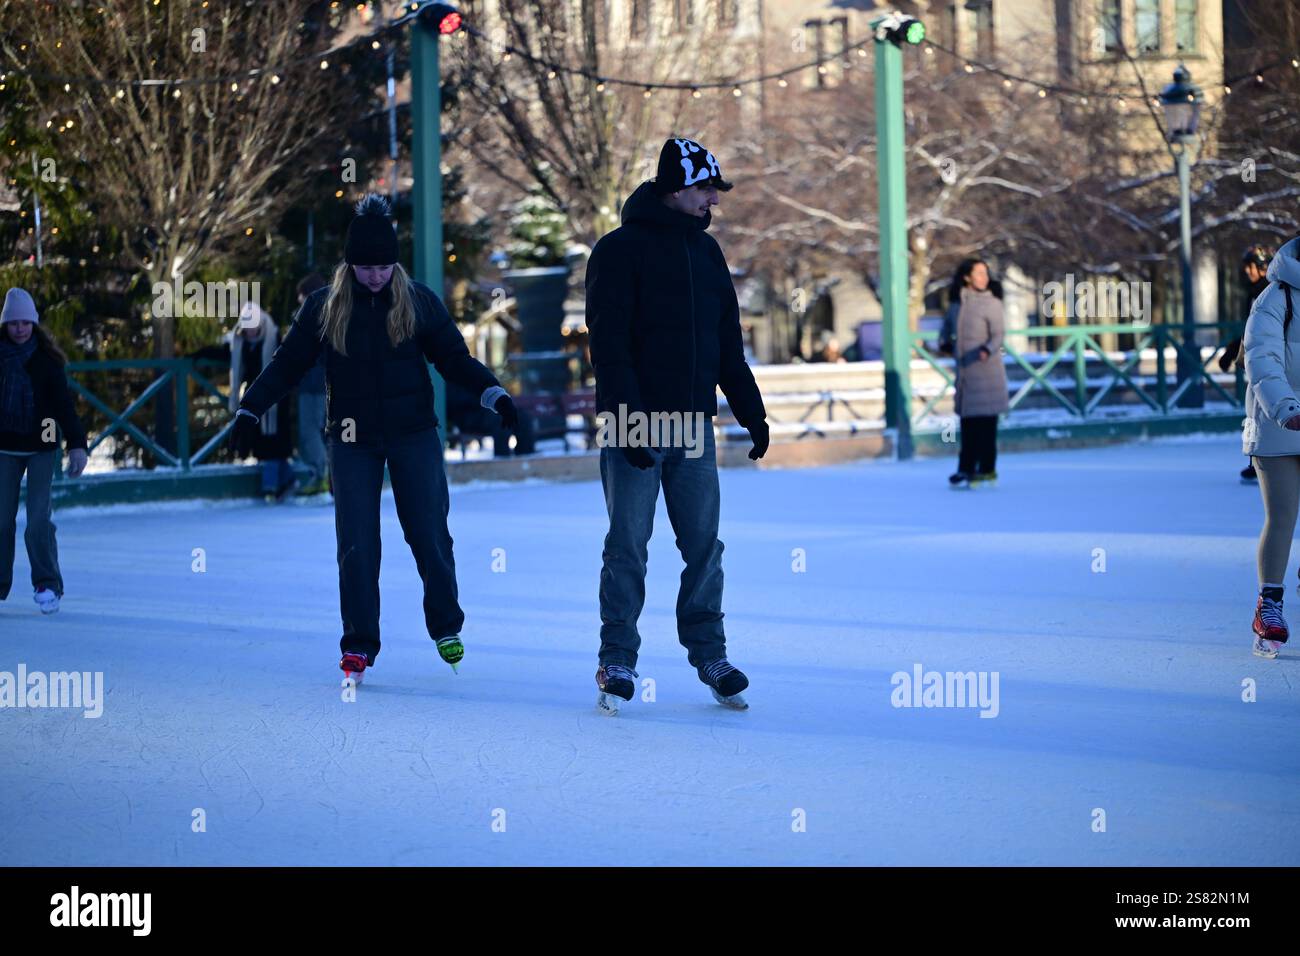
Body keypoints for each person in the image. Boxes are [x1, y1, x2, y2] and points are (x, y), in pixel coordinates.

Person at [230, 194, 517, 685]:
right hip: (352, 439)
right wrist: (249, 408)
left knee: (428, 532)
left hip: (414, 434)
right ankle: (359, 643)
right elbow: (288, 363)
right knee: (357, 542)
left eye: (385, 266)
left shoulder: (418, 300)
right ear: (350, 265)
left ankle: (445, 624)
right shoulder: (325, 306)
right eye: (366, 268)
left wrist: (494, 393)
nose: (377, 276)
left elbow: (453, 358)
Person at [585, 135, 768, 713]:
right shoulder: (617, 250)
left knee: (703, 546)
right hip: (634, 425)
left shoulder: (706, 254)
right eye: (705, 188)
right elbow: (609, 347)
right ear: (675, 187)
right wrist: (626, 419)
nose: (713, 199)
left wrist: (751, 411)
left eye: (716, 189)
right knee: (628, 547)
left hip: (692, 426)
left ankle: (710, 653)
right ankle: (617, 658)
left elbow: (727, 347)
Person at [0, 288, 88, 615]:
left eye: (26, 323)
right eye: (13, 323)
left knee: (38, 519)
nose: (20, 329)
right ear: (5, 325)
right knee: (0, 520)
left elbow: (64, 407)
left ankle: (47, 583)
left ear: (34, 324)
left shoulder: (47, 361)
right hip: (4, 446)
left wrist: (77, 445)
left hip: (41, 445)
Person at [1242, 236, 1300, 659]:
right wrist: (1285, 408)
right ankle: (1270, 607)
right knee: (1282, 516)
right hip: (1278, 426)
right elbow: (1263, 358)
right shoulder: (1275, 296)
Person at [948, 259, 1008, 489]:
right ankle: (965, 468)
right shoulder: (957, 304)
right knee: (967, 426)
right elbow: (947, 328)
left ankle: (987, 469)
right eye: (979, 273)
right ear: (967, 277)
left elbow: (998, 335)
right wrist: (945, 342)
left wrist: (987, 349)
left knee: (986, 426)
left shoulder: (991, 304)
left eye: (985, 273)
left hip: (987, 373)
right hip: (966, 375)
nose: (984, 277)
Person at [228, 301, 296, 502]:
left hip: (277, 397)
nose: (249, 332)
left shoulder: (275, 338)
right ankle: (288, 480)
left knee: (275, 443)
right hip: (255, 398)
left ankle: (271, 486)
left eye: (252, 328)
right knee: (266, 445)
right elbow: (231, 358)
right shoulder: (240, 341)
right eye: (246, 328)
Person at [1221, 245, 1273, 484]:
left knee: (1260, 412)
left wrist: (1232, 350)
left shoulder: (1268, 291)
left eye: (1251, 265)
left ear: (1262, 267)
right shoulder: (1255, 292)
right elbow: (1250, 329)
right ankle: (1255, 459)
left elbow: (1256, 330)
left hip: (1268, 361)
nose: (1247, 271)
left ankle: (1259, 460)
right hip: (1258, 361)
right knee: (1254, 413)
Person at [294, 272, 330, 495]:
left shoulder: (314, 316)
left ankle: (321, 475)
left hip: (313, 383)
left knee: (310, 431)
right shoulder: (328, 313)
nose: (298, 299)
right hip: (317, 381)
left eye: (301, 295)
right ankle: (323, 475)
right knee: (317, 431)